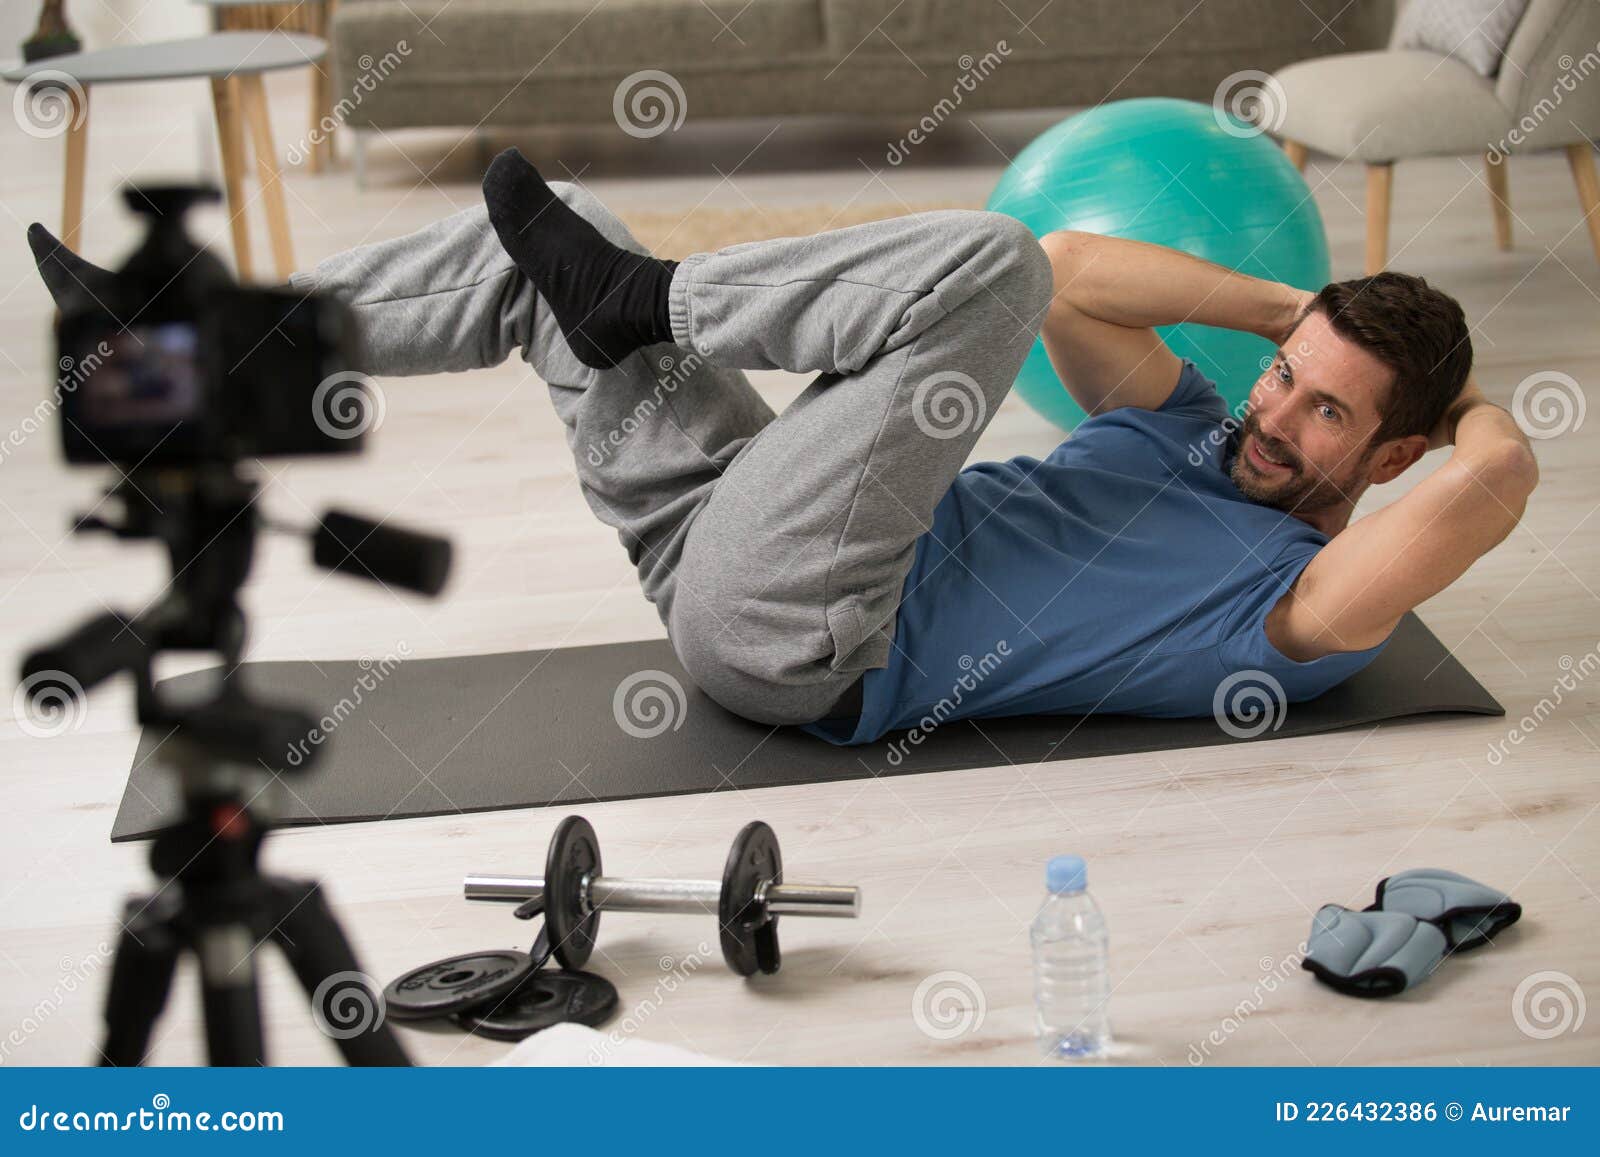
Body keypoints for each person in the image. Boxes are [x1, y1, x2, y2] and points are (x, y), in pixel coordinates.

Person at [27, 149, 1538, 745]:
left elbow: (1499, 474)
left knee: (983, 261)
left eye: (1329, 413)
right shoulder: (1192, 427)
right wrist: (1307, 310)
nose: (1275, 414)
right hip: (740, 523)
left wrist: (1441, 403)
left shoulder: (1304, 605)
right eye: (1285, 377)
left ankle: (655, 302)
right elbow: (1084, 264)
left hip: (820, 639)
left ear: (1394, 455)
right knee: (554, 258)